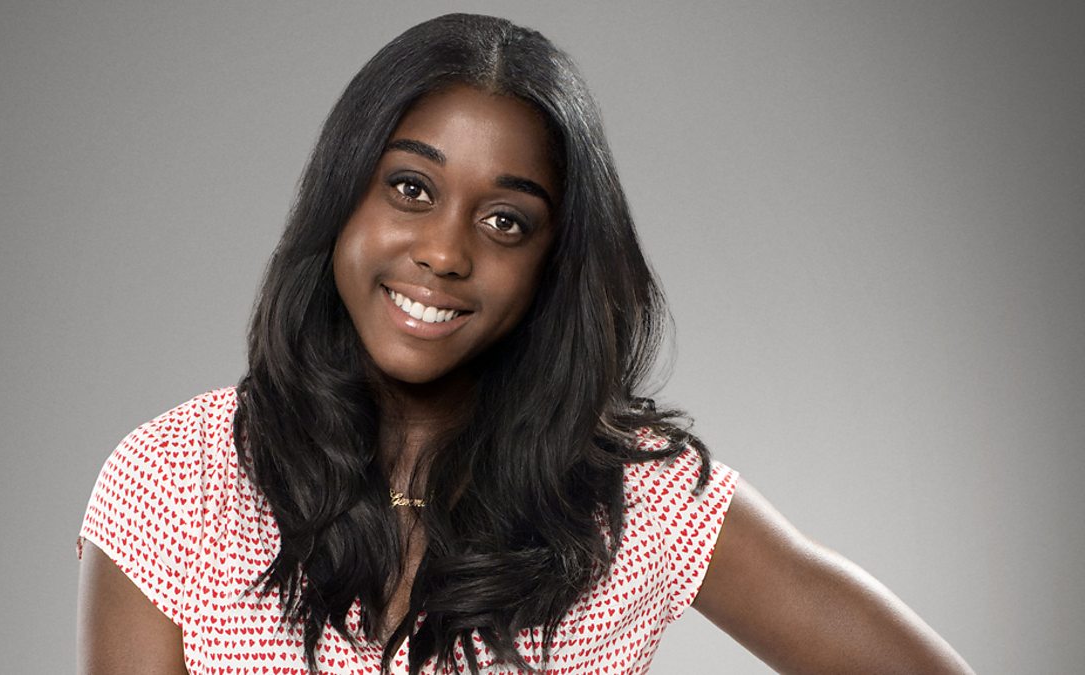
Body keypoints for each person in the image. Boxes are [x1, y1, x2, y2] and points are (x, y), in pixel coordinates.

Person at [77, 13, 973, 675]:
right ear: (341, 198)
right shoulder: (173, 480)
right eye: (411, 188)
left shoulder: (639, 499)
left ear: (554, 263)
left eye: (506, 220)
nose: (444, 252)